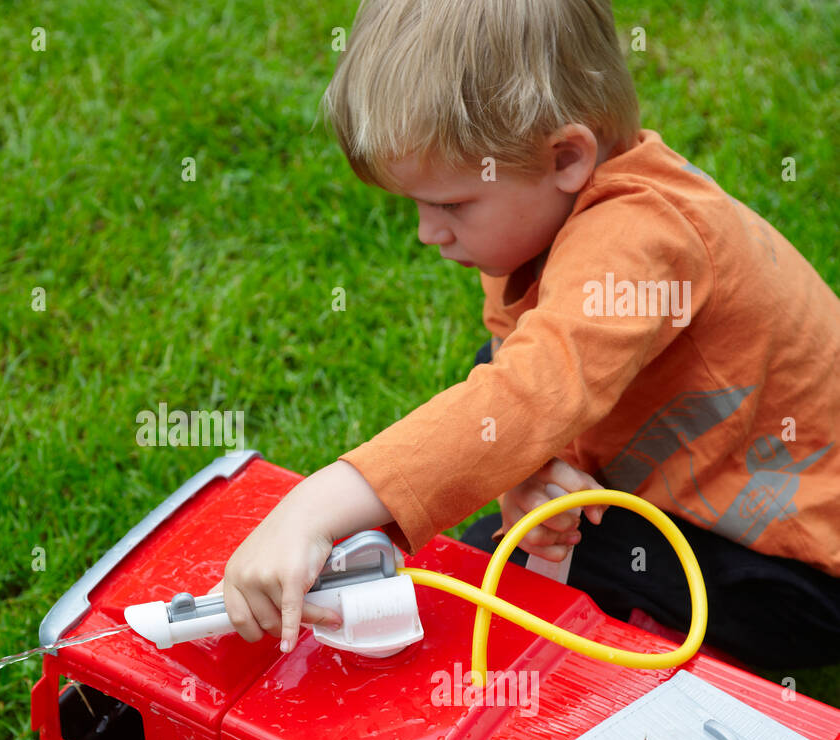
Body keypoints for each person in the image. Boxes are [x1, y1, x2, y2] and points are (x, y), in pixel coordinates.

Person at [218, 0, 840, 668]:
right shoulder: (538, 221)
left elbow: (532, 391)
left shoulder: (639, 240)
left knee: (545, 569)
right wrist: (533, 469)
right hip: (683, 474)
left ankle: (648, 671)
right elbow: (535, 379)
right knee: (515, 513)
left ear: (566, 157)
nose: (429, 233)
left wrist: (317, 504)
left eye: (452, 204)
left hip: (799, 560)